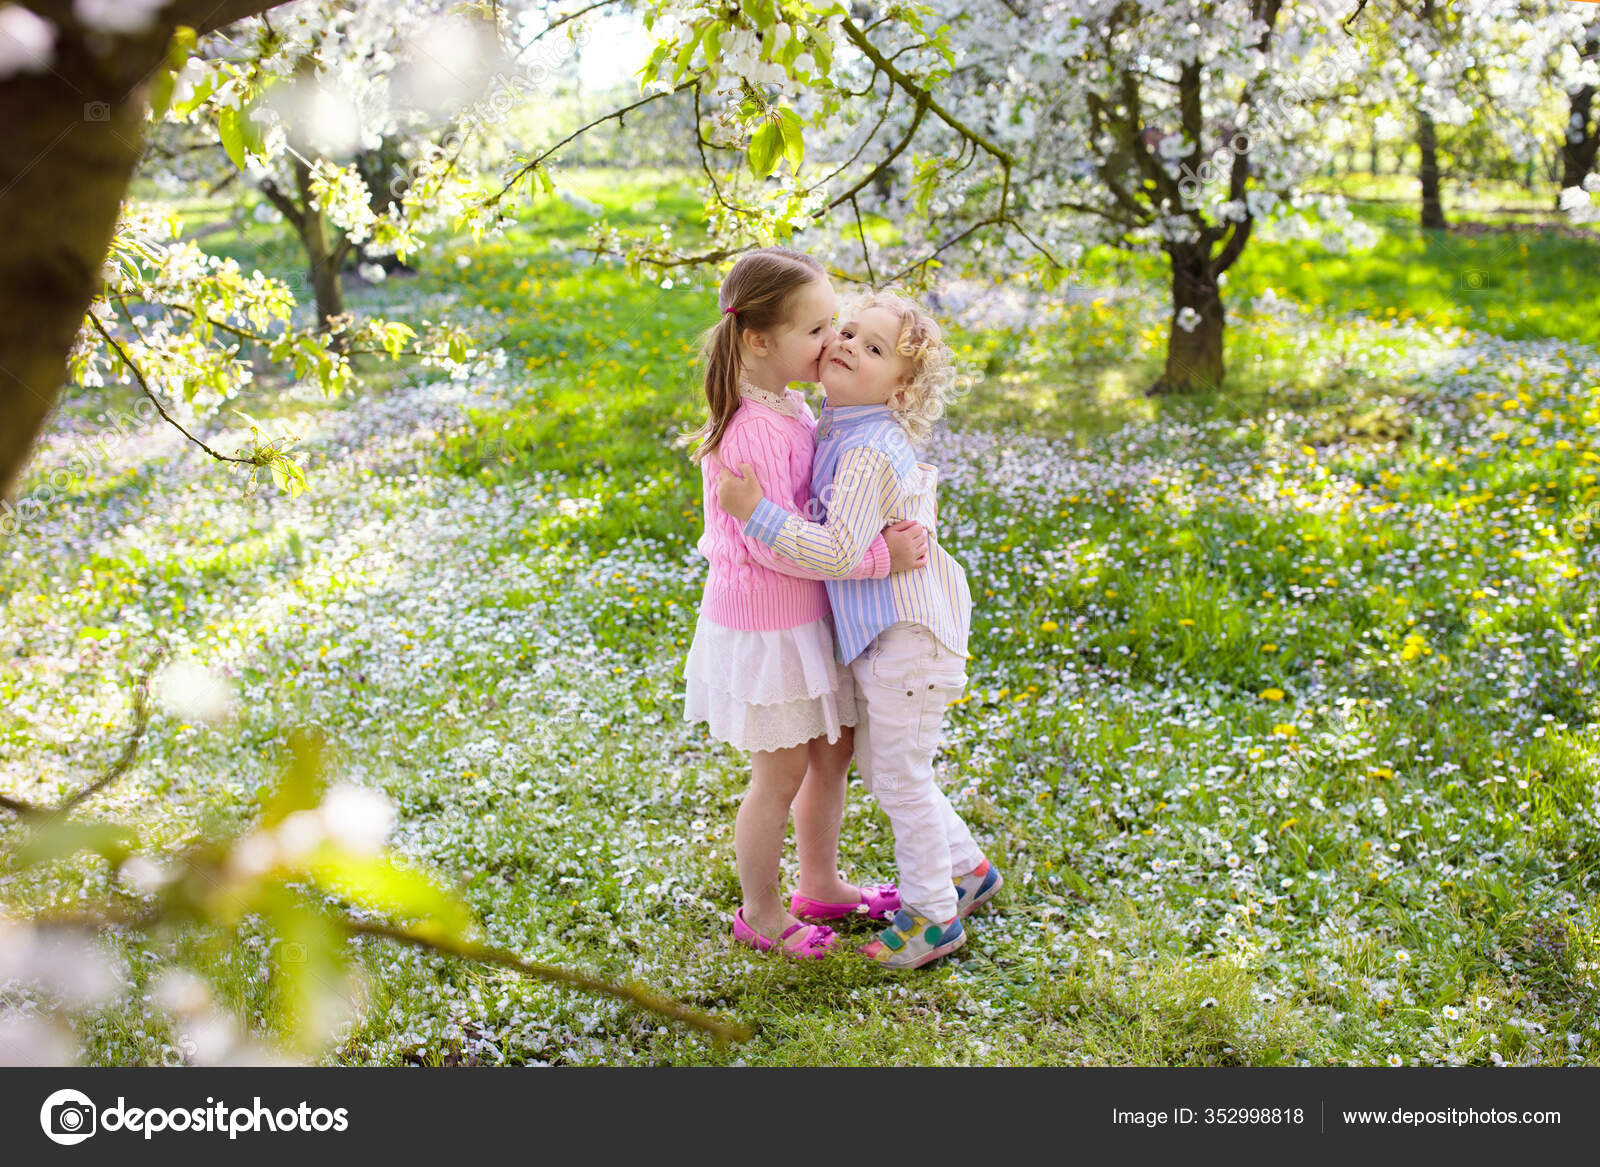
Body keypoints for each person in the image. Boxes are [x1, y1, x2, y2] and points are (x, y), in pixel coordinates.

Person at [716, 290, 1001, 970]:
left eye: (873, 349)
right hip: (890, 635)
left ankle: (933, 916)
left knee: (898, 776)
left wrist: (757, 515)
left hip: (909, 636)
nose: (845, 344)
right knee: (887, 767)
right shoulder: (838, 426)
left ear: (900, 390)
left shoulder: (867, 448)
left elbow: (840, 550)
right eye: (845, 331)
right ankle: (967, 870)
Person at [682, 248, 930, 958]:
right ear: (761, 339)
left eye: (838, 325)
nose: (836, 342)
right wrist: (881, 556)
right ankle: (759, 910)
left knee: (832, 751)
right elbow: (773, 544)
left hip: (803, 611)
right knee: (781, 771)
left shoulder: (788, 402)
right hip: (767, 623)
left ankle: (820, 880)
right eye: (818, 329)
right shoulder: (752, 428)